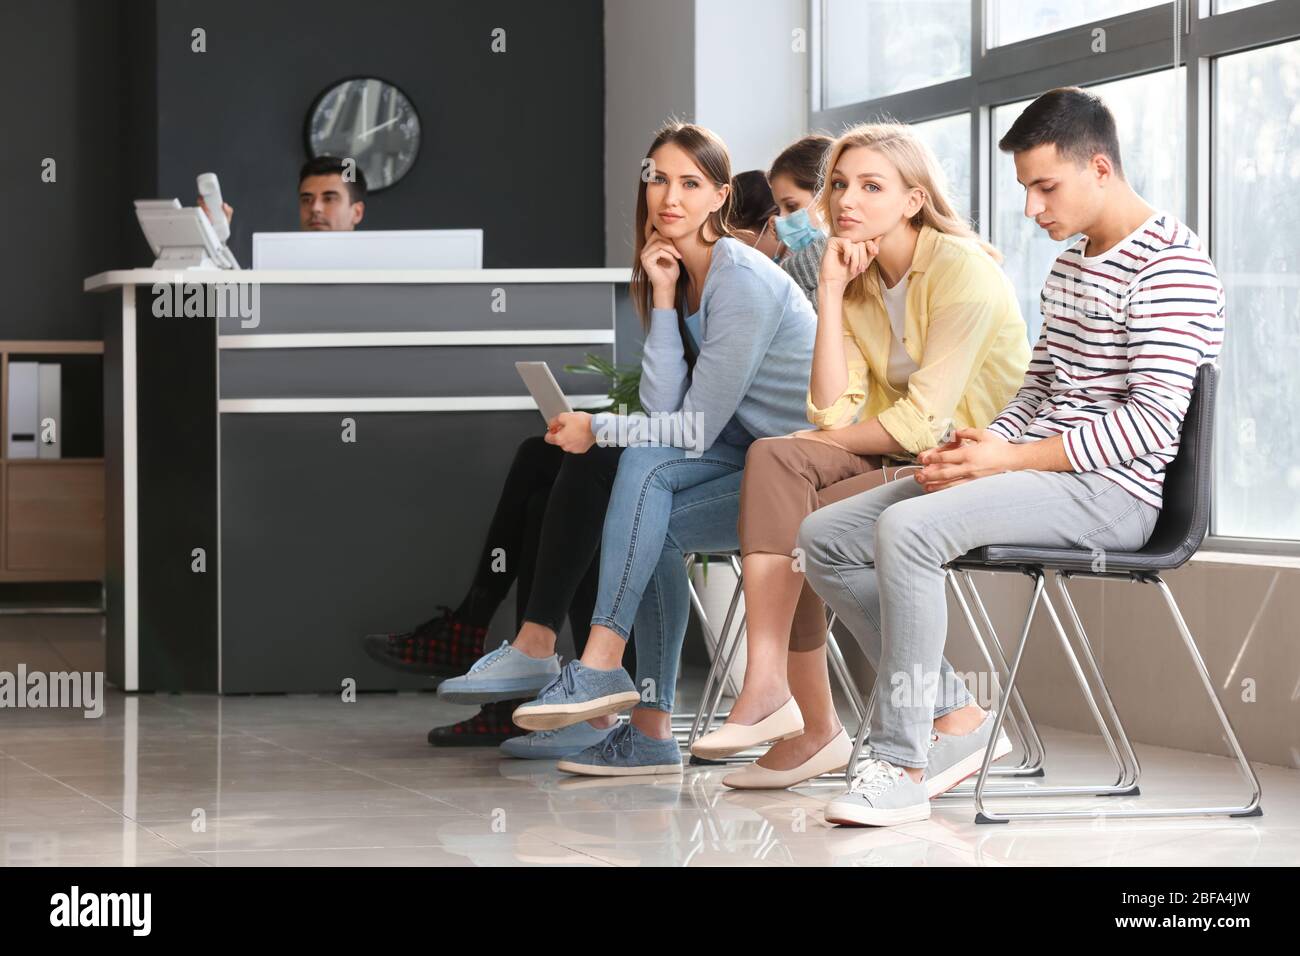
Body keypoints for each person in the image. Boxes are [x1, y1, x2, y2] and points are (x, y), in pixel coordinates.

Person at [800, 87, 1224, 826]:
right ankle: (956, 716)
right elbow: (1039, 385)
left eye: (1044, 186)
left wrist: (1009, 461)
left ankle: (901, 759)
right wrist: (985, 444)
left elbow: (1152, 424)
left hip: (1115, 492)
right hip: (1037, 469)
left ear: (1100, 168)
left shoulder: (1173, 267)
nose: (1031, 207)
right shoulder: (1069, 268)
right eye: (1025, 188)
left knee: (908, 530)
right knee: (825, 538)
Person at [690, 121, 1031, 790]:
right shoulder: (860, 277)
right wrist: (829, 294)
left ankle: (928, 715)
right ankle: (769, 688)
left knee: (804, 505)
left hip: (968, 464)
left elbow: (922, 421)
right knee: (776, 460)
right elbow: (831, 408)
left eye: (871, 186)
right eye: (840, 184)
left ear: (912, 199)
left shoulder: (962, 270)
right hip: (902, 457)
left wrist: (824, 440)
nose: (846, 200)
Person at [475, 122, 818, 776]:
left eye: (691, 182)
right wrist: (662, 299)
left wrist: (598, 429)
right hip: (748, 454)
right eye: (659, 178)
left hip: (799, 477)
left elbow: (686, 429)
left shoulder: (739, 280)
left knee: (635, 464)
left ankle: (601, 663)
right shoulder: (684, 275)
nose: (670, 195)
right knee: (646, 512)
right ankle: (650, 730)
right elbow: (666, 412)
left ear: (720, 196)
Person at [199, 155, 367, 232]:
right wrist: (214, 239)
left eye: (329, 198)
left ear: (357, 212)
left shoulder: (383, 271)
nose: (315, 208)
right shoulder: (272, 265)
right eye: (306, 199)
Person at [766, 134, 834, 307]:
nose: (780, 218)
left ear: (826, 195)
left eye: (791, 206)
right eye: (778, 209)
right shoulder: (791, 257)